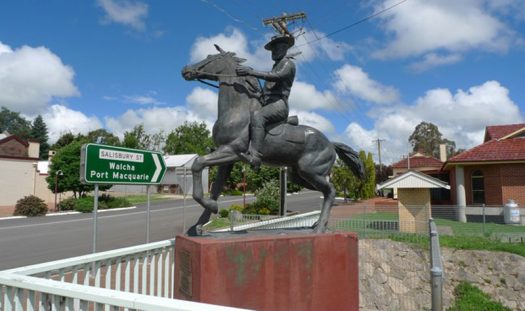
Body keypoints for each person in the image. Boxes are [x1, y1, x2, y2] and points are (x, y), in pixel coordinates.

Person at [236, 35, 296, 171]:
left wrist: (251, 71)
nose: (273, 52)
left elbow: (277, 76)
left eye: (276, 48)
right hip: (268, 103)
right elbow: (268, 88)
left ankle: (255, 156)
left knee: (258, 116)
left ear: (284, 49)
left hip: (279, 104)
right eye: (272, 50)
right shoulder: (276, 65)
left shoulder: (288, 64)